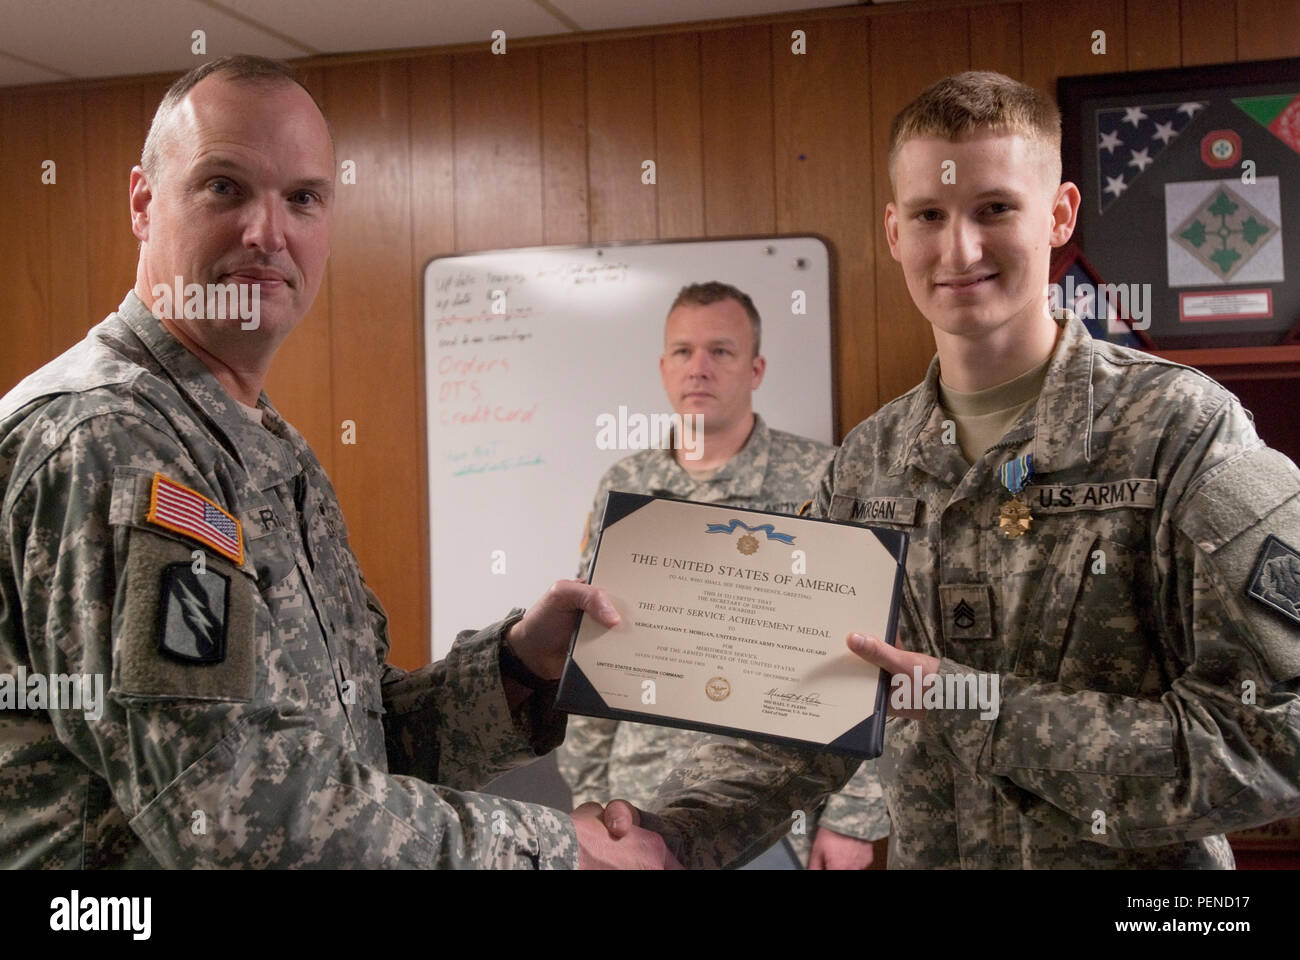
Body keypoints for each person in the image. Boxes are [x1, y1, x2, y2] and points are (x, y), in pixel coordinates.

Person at [0, 55, 676, 870]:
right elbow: (243, 815)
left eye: (303, 199)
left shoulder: (260, 443)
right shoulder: (108, 441)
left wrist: (516, 670)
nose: (266, 234)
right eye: (224, 187)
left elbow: (354, 741)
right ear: (144, 203)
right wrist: (557, 850)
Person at [616, 70, 1300, 869]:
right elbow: (804, 712)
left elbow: (1274, 736)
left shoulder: (1182, 432)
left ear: (1058, 214)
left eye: (995, 209)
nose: (959, 248)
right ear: (894, 231)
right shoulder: (866, 466)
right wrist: (674, 833)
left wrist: (973, 708)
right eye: (930, 215)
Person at [556, 282, 887, 869]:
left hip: (772, 807)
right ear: (663, 367)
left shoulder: (821, 478)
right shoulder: (625, 485)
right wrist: (587, 791)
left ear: (756, 369)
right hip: (636, 804)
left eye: (722, 351)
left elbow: (865, 658)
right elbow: (593, 644)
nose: (699, 368)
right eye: (683, 352)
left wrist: (855, 817)